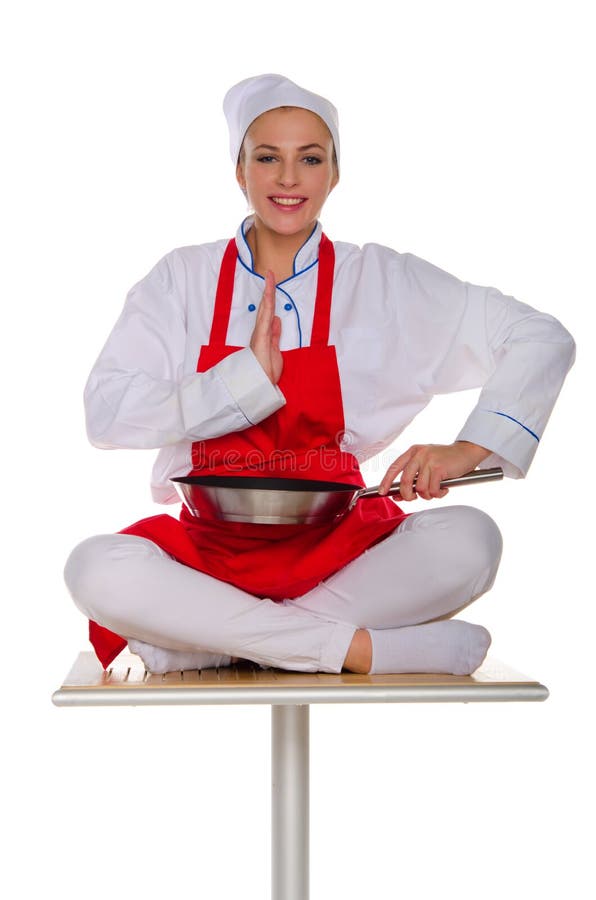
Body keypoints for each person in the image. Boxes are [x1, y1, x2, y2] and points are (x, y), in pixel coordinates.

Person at [64, 74, 575, 676]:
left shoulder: (383, 282)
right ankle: (357, 651)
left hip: (339, 546)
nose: (288, 178)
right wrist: (239, 383)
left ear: (334, 173)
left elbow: (539, 335)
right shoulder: (181, 279)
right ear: (239, 171)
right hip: (209, 548)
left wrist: (468, 449)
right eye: (267, 158)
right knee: (93, 567)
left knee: (471, 541)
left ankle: (214, 641)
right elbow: (106, 412)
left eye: (310, 158)